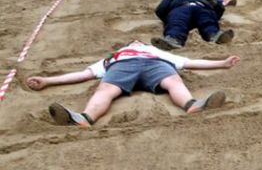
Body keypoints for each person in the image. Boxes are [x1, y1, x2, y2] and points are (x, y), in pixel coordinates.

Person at [27, 40, 236, 127]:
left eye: (138, 41)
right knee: (105, 88)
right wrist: (47, 81)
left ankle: (192, 105)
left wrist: (222, 64)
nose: (135, 41)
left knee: (173, 80)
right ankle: (84, 118)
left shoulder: (155, 51)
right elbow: (84, 74)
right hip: (123, 66)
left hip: (156, 65)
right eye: (132, 41)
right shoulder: (114, 56)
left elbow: (188, 63)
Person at [152, 0, 236, 50]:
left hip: (201, 7)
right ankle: (173, 40)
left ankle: (215, 35)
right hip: (181, 8)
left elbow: (218, 7)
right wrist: (168, 18)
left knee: (207, 21)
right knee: (177, 22)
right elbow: (160, 9)